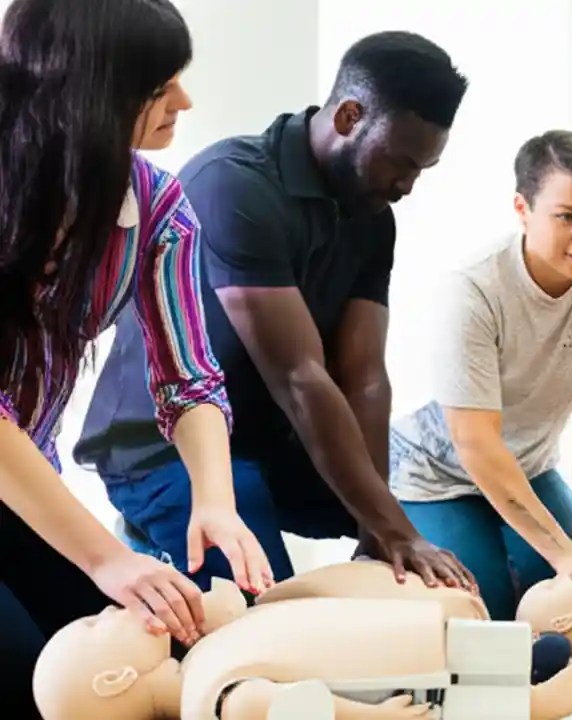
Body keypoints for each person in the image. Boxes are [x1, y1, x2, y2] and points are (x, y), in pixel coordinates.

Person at [74, 31, 477, 594]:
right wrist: (393, 531)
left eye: (422, 170)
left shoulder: (372, 216)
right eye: (400, 163)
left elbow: (365, 379)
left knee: (402, 529)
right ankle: (156, 537)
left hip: (268, 442)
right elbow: (301, 378)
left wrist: (380, 534)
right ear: (349, 117)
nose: (407, 186)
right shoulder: (234, 184)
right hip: (164, 444)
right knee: (263, 605)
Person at [0, 0, 272, 716]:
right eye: (160, 83)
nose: (184, 100)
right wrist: (105, 557)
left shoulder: (156, 207)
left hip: (21, 486)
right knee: (41, 681)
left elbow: (188, 380)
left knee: (144, 646)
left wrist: (214, 501)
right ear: (84, 87)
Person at [387, 129, 572, 620]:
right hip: (436, 475)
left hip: (529, 466)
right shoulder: (474, 289)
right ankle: (382, 558)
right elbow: (476, 440)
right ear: (522, 209)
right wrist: (564, 551)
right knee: (490, 612)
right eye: (566, 217)